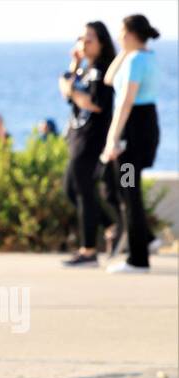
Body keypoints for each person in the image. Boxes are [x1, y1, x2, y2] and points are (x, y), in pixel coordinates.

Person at [101, 13, 163, 273]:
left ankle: (138, 259)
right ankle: (143, 245)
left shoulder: (137, 60)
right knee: (126, 191)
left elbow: (126, 101)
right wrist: (124, 52)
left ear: (131, 33)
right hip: (143, 126)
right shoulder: (141, 56)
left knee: (130, 193)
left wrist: (112, 139)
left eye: (121, 32)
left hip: (132, 132)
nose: (117, 37)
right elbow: (108, 79)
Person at [59, 21, 117, 267]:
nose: (83, 43)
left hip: (93, 139)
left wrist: (71, 90)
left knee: (83, 191)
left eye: (89, 39)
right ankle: (112, 224)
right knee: (72, 189)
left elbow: (94, 103)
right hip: (77, 137)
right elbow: (66, 92)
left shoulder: (102, 70)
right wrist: (74, 67)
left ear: (102, 42)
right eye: (80, 39)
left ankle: (89, 251)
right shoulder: (84, 70)